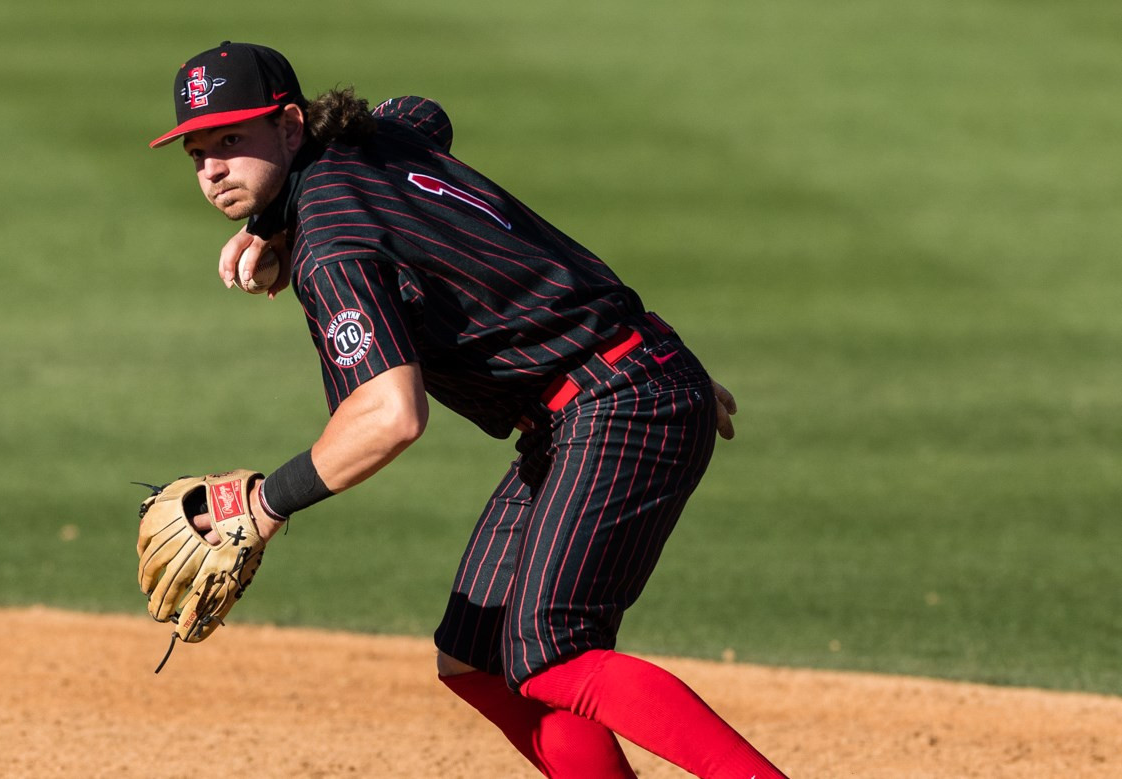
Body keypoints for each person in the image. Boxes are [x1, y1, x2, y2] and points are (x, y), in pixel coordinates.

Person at [148, 41, 788, 779]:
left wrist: (264, 503)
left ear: (291, 124)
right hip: (598, 396)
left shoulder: (332, 250)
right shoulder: (365, 140)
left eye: (233, 140)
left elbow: (389, 414)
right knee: (475, 657)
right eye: (197, 151)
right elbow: (422, 112)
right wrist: (271, 224)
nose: (214, 168)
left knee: (552, 649)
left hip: (619, 400)